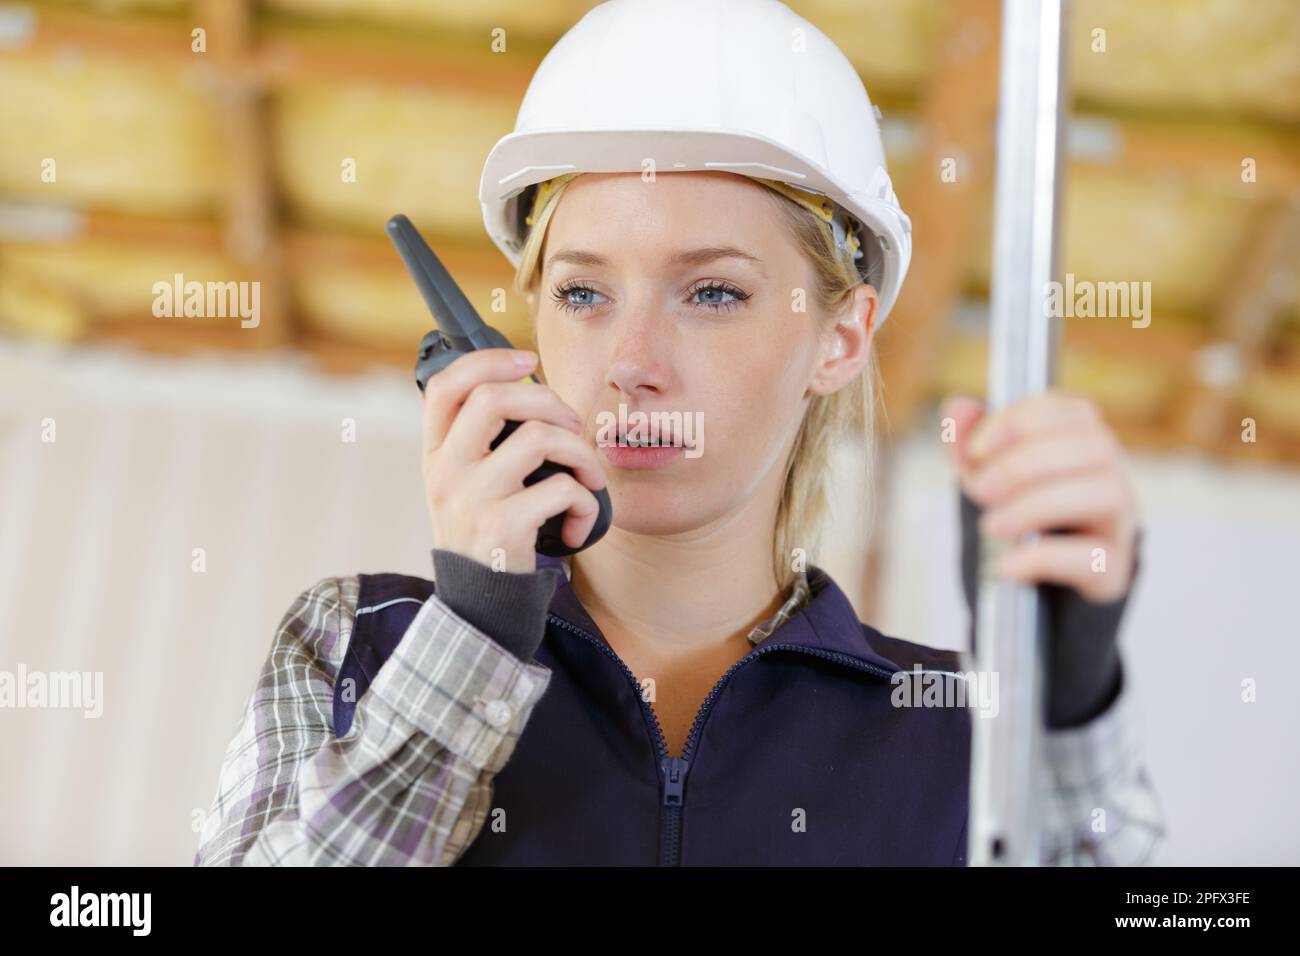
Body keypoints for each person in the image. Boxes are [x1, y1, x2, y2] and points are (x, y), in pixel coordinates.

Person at [194, 0, 1165, 866]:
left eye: (711, 291)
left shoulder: (961, 734)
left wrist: (1067, 717)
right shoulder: (356, 646)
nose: (631, 361)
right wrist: (470, 637)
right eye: (581, 292)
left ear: (840, 336)